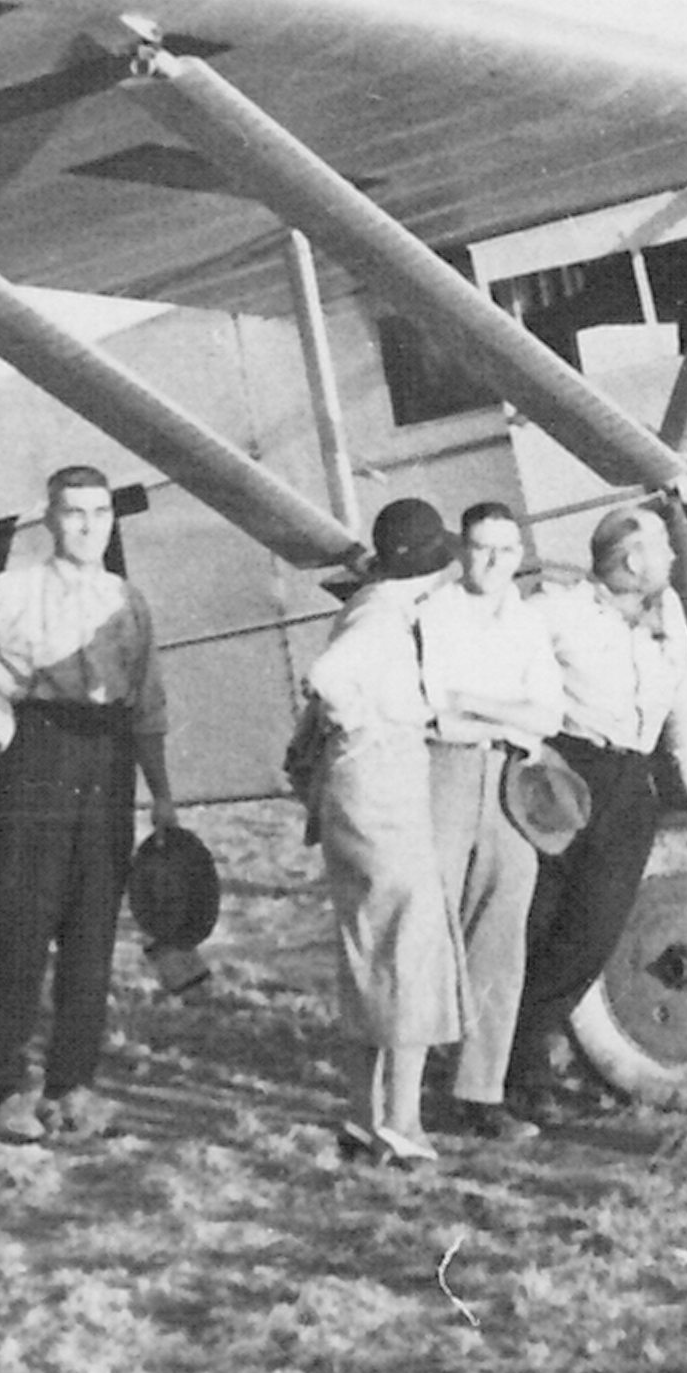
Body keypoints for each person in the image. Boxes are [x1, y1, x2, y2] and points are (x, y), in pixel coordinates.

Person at [0, 463, 175, 1145]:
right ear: (49, 520)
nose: (90, 526)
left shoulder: (128, 599)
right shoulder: (14, 589)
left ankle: (72, 1085)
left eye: (102, 513)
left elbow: (147, 705)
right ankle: (10, 1087)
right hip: (39, 756)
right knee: (24, 922)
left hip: (109, 761)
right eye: (75, 513)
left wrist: (162, 793)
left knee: (92, 929)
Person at [511, 504, 687, 1128]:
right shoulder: (556, 609)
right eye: (661, 546)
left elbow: (685, 704)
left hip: (631, 783)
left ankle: (523, 1042)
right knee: (537, 924)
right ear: (632, 560)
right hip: (564, 775)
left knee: (595, 931)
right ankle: (517, 1069)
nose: (671, 556)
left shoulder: (666, 615)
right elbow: (495, 645)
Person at [292, 497, 463, 1167]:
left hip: (358, 784)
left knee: (368, 946)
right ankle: (403, 1120)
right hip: (381, 780)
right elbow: (326, 678)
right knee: (408, 945)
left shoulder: (370, 606)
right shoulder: (384, 618)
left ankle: (364, 1116)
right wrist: (363, 724)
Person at [412, 502, 567, 1142]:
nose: (494, 561)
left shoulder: (527, 621)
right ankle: (407, 1081)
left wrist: (484, 707)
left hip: (510, 781)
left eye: (506, 550)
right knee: (429, 925)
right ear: (461, 549)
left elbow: (549, 714)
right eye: (481, 548)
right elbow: (438, 704)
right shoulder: (435, 612)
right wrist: (509, 711)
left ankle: (479, 1091)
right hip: (444, 771)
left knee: (501, 936)